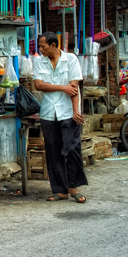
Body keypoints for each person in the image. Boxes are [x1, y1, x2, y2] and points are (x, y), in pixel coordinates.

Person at [33, 32, 87, 203]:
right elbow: (39, 85)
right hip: (48, 112)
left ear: (54, 45)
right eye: (40, 46)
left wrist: (76, 110)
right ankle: (60, 190)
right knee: (53, 151)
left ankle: (73, 187)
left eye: (43, 46)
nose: (40, 49)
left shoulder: (70, 60)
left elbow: (74, 88)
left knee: (72, 148)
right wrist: (62, 88)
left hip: (67, 112)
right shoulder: (38, 61)